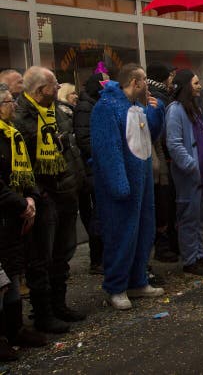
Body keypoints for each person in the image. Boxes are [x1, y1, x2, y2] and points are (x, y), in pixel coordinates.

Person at [16, 67, 86, 333]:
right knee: (41, 258)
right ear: (39, 90)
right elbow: (22, 163)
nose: (58, 89)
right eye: (53, 85)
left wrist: (79, 181)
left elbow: (69, 148)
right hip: (44, 196)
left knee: (62, 253)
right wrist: (37, 193)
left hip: (67, 190)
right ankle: (43, 313)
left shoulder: (56, 111)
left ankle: (60, 305)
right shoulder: (22, 118)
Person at [91, 64, 166, 309]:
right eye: (144, 79)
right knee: (121, 234)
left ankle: (137, 280)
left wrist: (156, 113)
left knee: (143, 232)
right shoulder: (107, 107)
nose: (147, 83)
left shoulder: (136, 106)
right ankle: (116, 286)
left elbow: (148, 137)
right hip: (122, 187)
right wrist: (118, 183)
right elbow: (107, 148)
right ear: (135, 82)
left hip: (142, 184)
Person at [0, 84, 47, 360]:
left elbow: (25, 171)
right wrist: (21, 204)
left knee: (14, 273)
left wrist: (30, 198)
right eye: (8, 102)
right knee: (2, 279)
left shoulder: (12, 134)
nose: (14, 105)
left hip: (16, 216)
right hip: (5, 215)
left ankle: (16, 328)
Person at [166, 70, 203, 276]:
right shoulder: (175, 111)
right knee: (189, 219)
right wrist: (191, 166)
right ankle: (190, 259)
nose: (199, 86)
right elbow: (174, 142)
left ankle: (199, 255)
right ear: (186, 86)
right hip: (190, 177)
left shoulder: (194, 109)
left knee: (200, 219)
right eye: (195, 83)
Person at [72, 73, 107, 274]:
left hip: (96, 167)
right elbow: (84, 139)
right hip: (92, 169)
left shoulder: (93, 104)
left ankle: (101, 257)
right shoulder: (86, 107)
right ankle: (97, 259)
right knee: (97, 214)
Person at [146, 62, 179, 264]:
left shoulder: (162, 97)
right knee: (163, 206)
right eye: (170, 75)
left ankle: (167, 244)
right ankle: (163, 246)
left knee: (165, 205)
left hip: (162, 158)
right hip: (160, 159)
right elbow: (159, 134)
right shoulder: (159, 99)